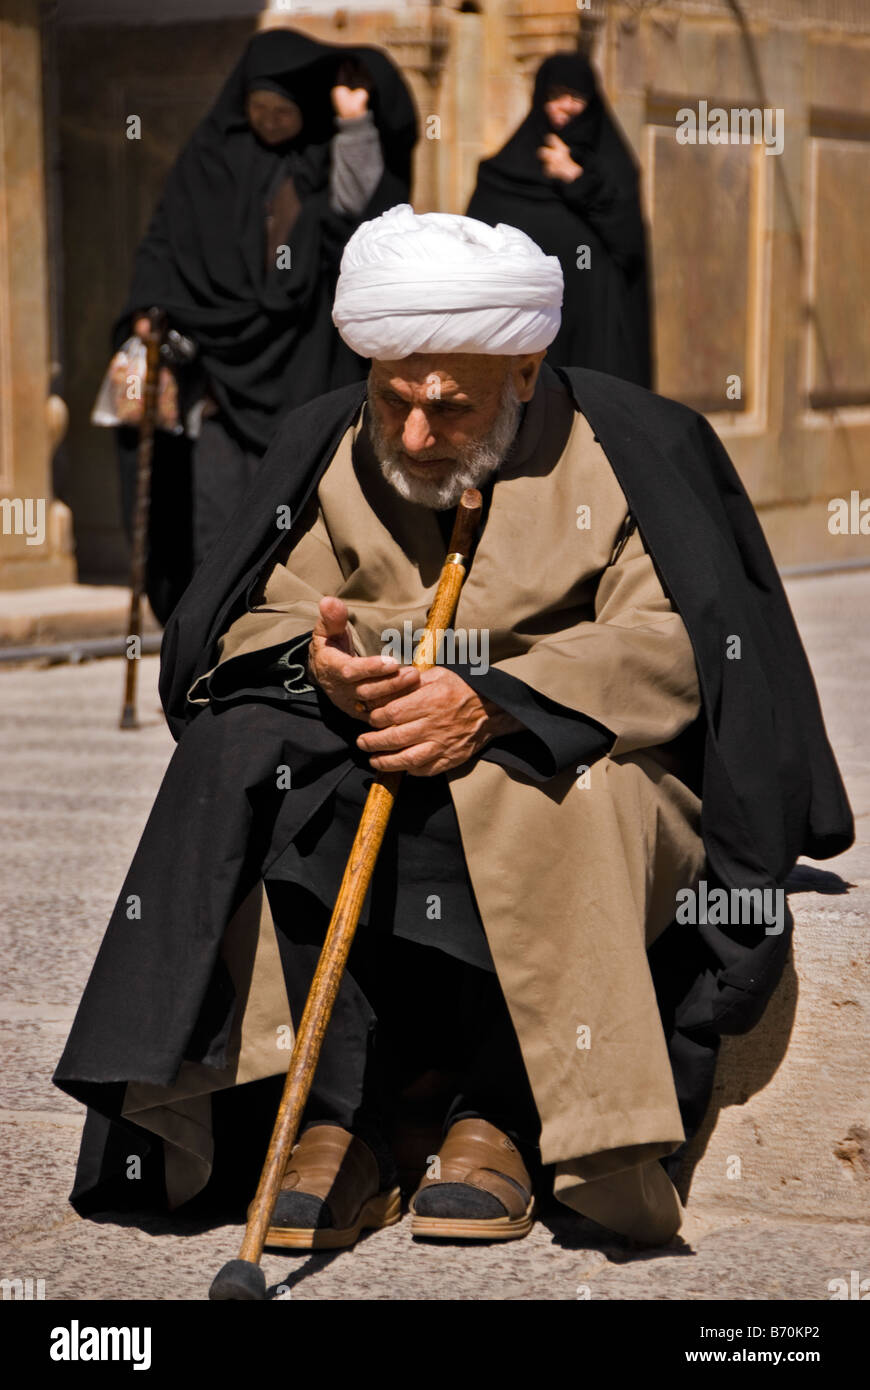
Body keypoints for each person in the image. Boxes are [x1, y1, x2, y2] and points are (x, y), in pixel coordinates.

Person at [56, 206, 852, 1252]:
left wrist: (497, 701)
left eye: (452, 407)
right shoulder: (329, 446)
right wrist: (322, 668)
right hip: (375, 731)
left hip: (576, 748)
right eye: (396, 402)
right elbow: (258, 612)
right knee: (246, 755)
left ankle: (506, 1113)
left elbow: (675, 641)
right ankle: (338, 1116)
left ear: (526, 370)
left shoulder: (635, 447)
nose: (419, 435)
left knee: (540, 792)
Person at [112, 27, 417, 623]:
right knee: (220, 513)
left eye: (285, 111)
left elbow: (364, 219)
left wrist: (353, 122)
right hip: (219, 373)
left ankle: (299, 629)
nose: (272, 122)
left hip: (306, 365)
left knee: (305, 510)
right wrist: (146, 312)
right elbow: (163, 245)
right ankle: (217, 631)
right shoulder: (209, 157)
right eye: (260, 110)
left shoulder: (318, 158)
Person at [467, 51, 652, 388]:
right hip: (523, 340)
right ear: (539, 99)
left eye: (577, 96)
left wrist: (578, 180)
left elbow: (629, 246)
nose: (566, 106)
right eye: (556, 96)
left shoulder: (614, 168)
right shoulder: (505, 173)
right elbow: (475, 250)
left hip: (595, 339)